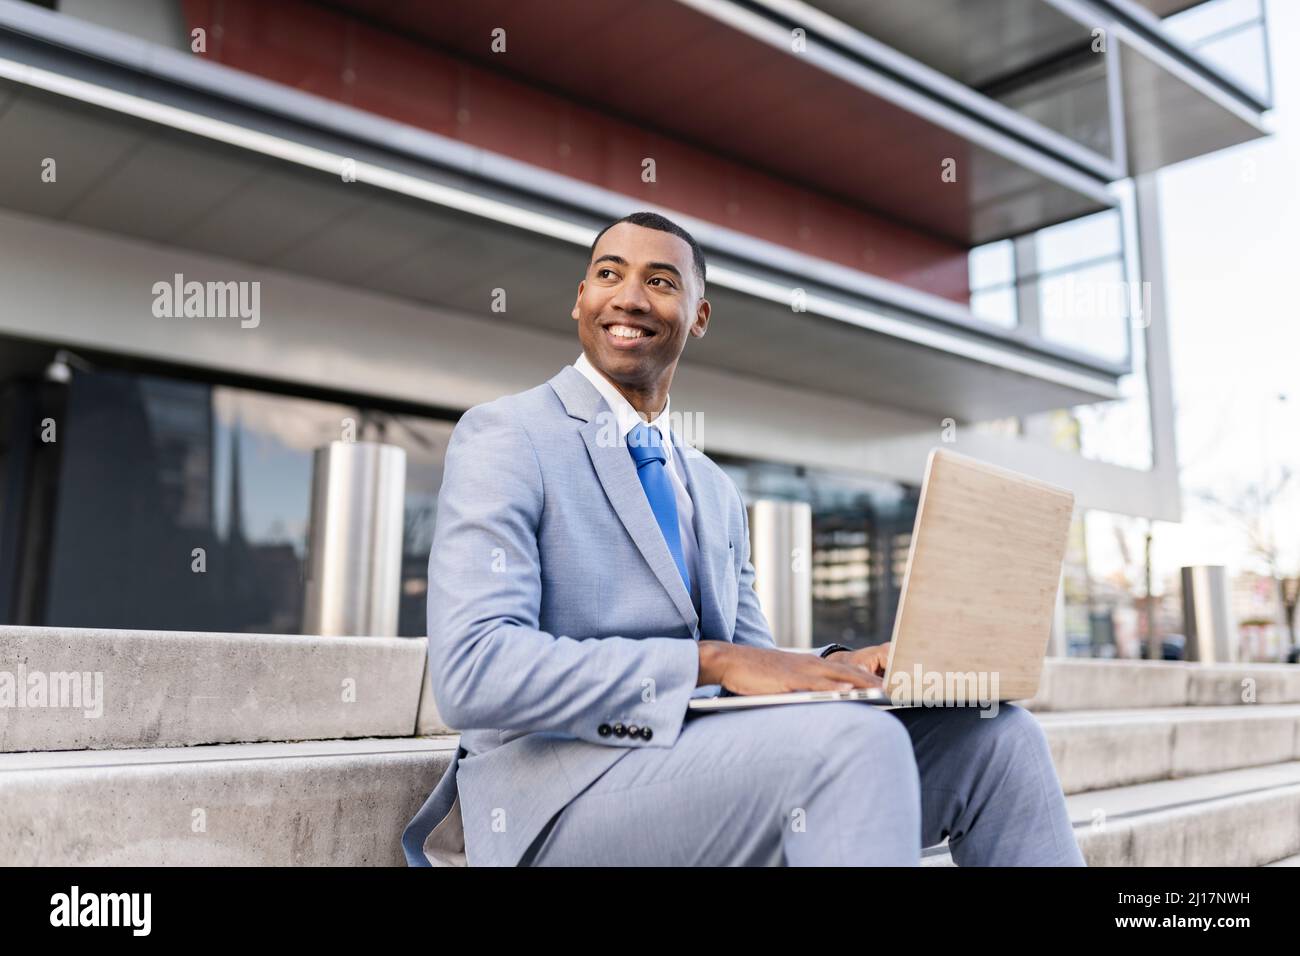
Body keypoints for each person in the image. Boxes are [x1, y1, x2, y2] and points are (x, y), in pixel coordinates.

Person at [401, 211, 1085, 867]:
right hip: (558, 795)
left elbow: (753, 662)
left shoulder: (710, 486)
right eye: (609, 275)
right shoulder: (508, 435)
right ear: (580, 300)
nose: (630, 297)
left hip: (706, 765)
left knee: (997, 737)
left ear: (698, 317)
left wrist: (844, 664)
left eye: (661, 282)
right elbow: (473, 671)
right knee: (852, 747)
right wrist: (709, 662)